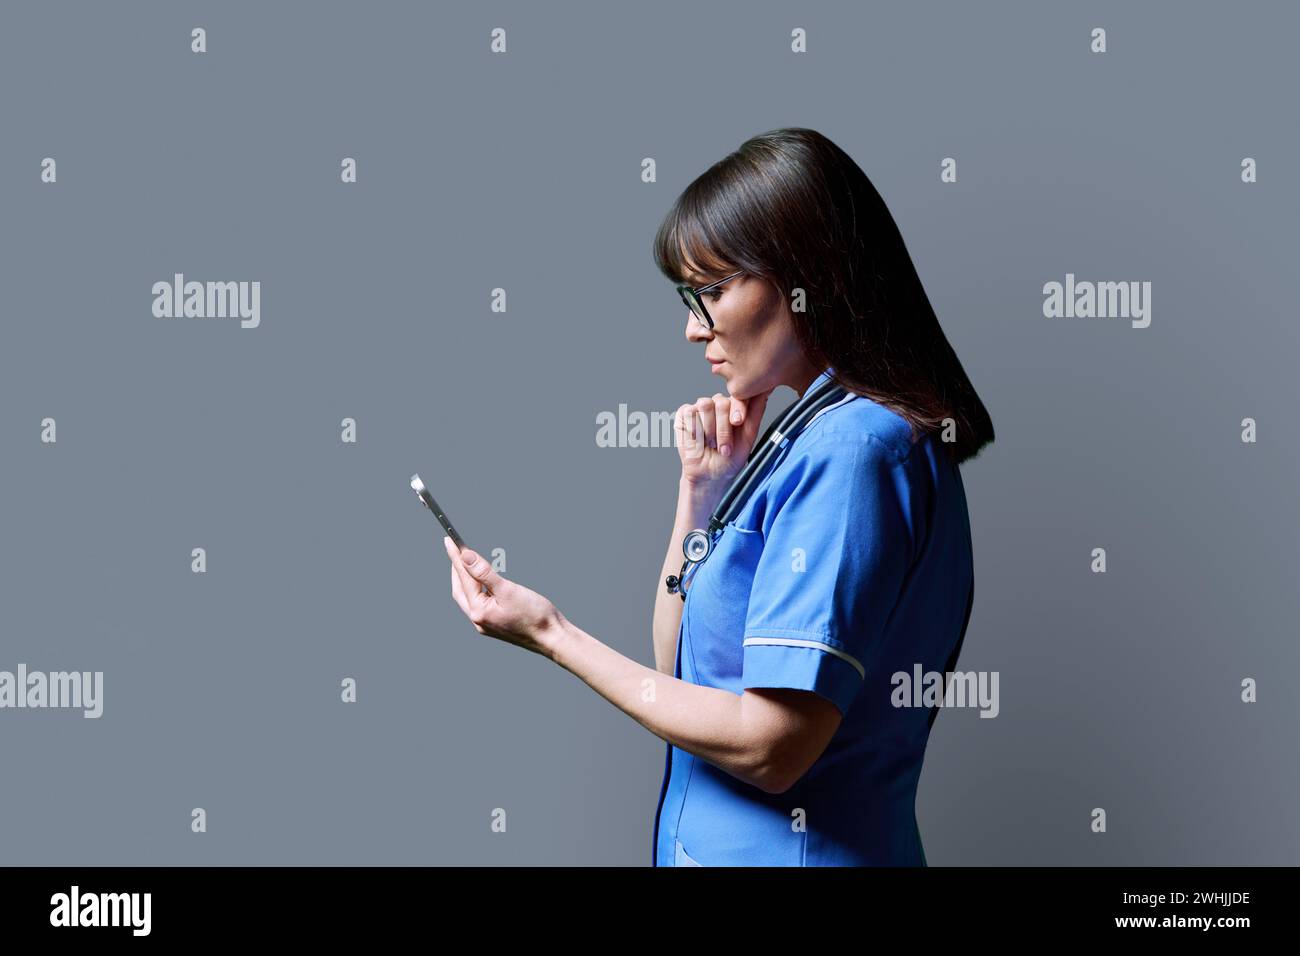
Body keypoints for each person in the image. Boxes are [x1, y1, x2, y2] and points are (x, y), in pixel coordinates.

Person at [442, 127, 995, 866]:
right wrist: (699, 497)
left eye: (711, 291)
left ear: (808, 275)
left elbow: (773, 748)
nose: (692, 327)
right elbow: (681, 664)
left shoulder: (854, 453)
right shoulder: (813, 438)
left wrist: (551, 633)